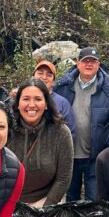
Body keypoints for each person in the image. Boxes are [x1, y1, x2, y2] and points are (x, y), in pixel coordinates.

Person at [53, 47, 109, 201]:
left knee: (94, 199)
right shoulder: (63, 86)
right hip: (69, 154)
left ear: (98, 65)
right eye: (85, 61)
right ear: (78, 64)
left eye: (93, 61)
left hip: (96, 155)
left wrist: (106, 145)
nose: (89, 64)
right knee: (71, 199)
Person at [7, 78, 73, 206]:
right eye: (26, 99)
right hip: (9, 203)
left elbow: (63, 178)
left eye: (38, 99)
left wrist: (44, 211)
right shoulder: (6, 129)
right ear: (18, 103)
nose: (32, 105)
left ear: (46, 104)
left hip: (47, 201)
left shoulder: (61, 132)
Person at [32, 59, 76, 140]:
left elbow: (71, 133)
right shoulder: (23, 98)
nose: (44, 77)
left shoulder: (63, 103)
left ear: (53, 82)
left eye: (49, 75)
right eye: (40, 73)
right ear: (32, 77)